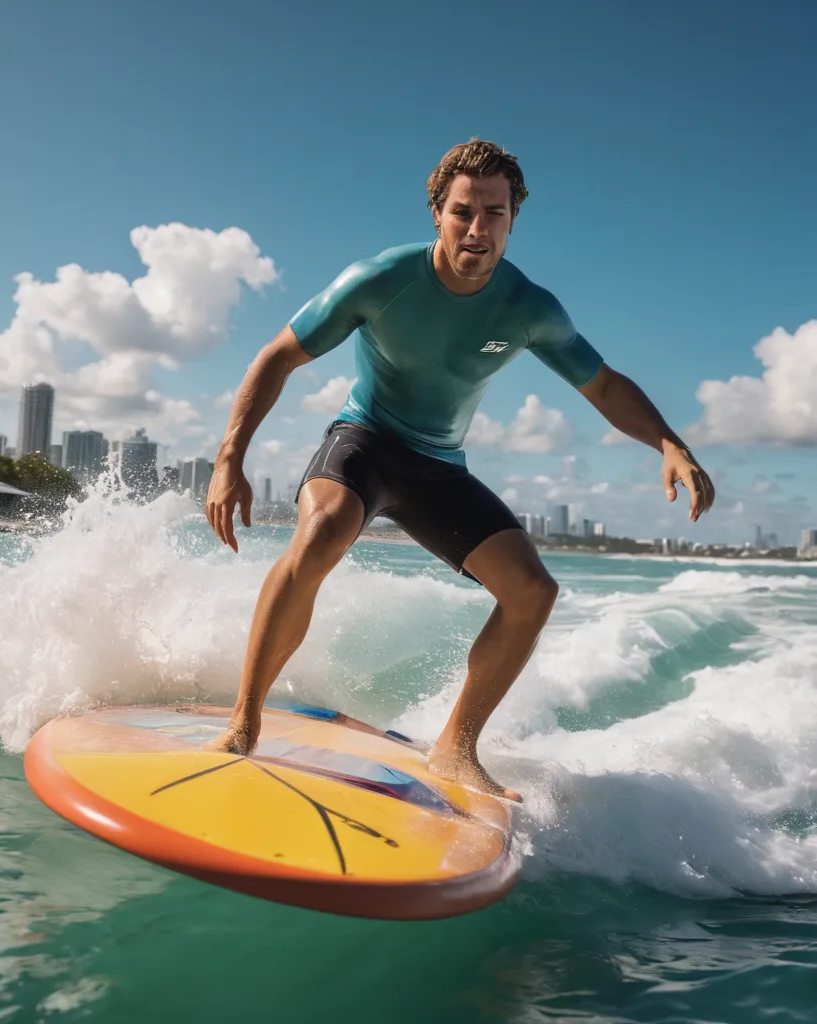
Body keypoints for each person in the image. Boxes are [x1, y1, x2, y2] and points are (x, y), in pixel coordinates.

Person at [205, 137, 715, 802]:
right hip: (365, 440)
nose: (478, 230)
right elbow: (278, 355)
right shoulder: (380, 282)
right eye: (463, 212)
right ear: (437, 214)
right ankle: (244, 719)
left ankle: (456, 748)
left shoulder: (522, 315)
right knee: (323, 530)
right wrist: (228, 460)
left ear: (513, 219)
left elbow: (605, 386)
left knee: (533, 592)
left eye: (494, 214)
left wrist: (669, 443)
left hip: (438, 467)